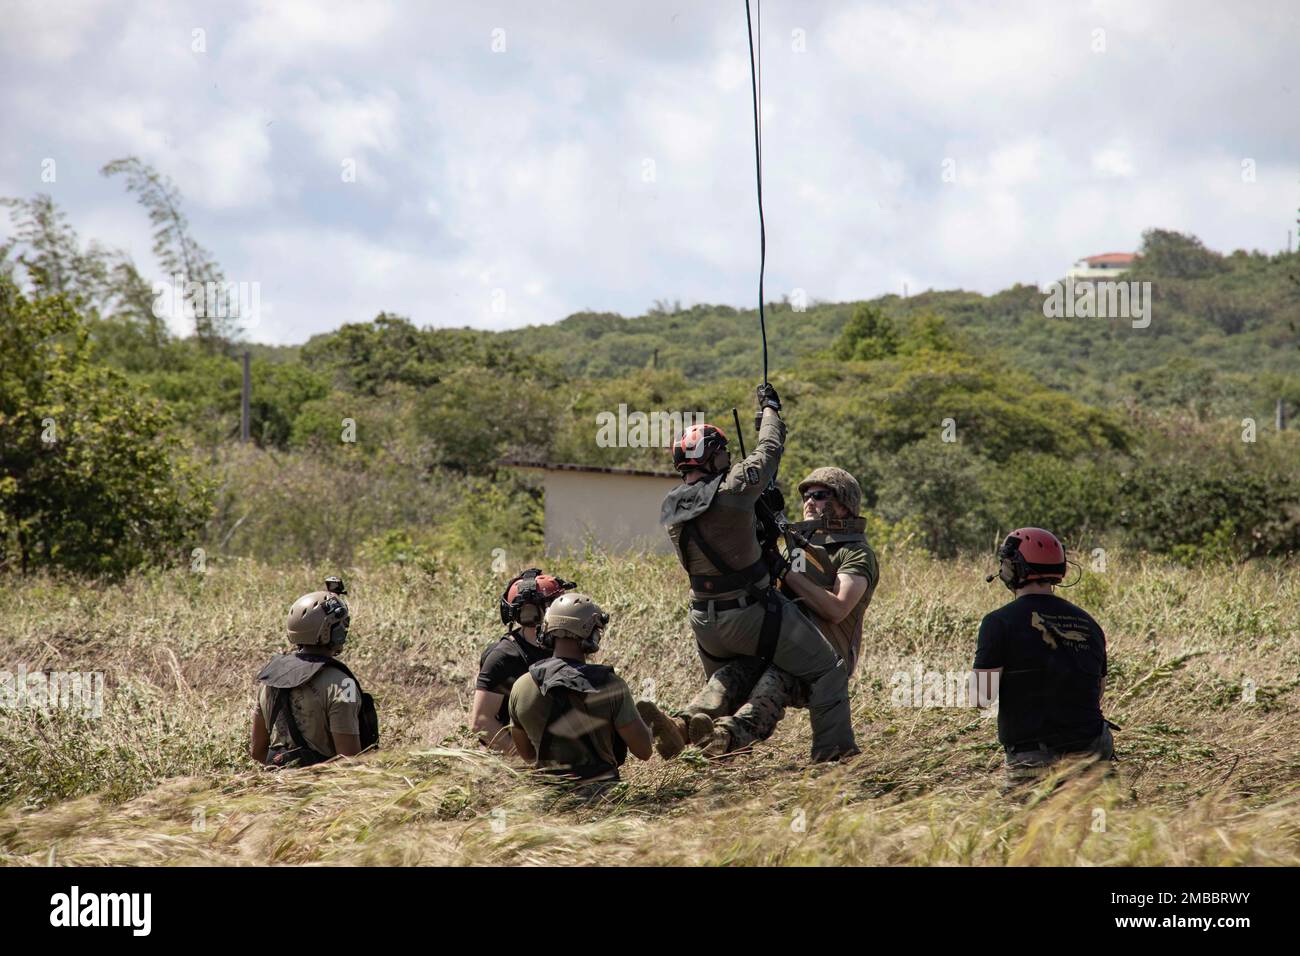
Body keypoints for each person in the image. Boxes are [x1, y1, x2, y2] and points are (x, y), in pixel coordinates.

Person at [659, 384, 858, 762]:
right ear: (717, 458)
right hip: (749, 613)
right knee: (828, 669)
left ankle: (685, 725)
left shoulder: (673, 509)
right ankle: (835, 757)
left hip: (704, 621)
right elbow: (769, 448)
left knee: (734, 678)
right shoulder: (734, 489)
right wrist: (769, 409)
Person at [697, 466, 880, 756]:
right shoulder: (799, 548)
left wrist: (786, 571)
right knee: (731, 676)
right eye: (806, 495)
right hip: (783, 646)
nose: (809, 501)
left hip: (824, 656)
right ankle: (686, 722)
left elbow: (838, 608)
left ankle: (726, 737)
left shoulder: (855, 552)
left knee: (770, 688)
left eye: (820, 496)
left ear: (844, 504)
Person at [973, 528, 1114, 784]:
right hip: (1093, 748)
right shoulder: (1088, 623)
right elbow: (1098, 690)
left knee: (1024, 822)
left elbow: (982, 696)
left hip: (1033, 754)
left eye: (1004, 561)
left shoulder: (998, 622)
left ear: (1016, 566)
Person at [508, 592, 660, 782]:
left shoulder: (521, 686)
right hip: (604, 798)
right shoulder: (611, 685)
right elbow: (643, 751)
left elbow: (528, 755)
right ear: (591, 634)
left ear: (546, 630)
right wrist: (649, 729)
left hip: (545, 800)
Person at [250, 580, 378, 768]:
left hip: (276, 788)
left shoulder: (270, 681)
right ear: (331, 632)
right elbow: (349, 761)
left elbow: (258, 751)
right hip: (325, 791)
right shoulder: (342, 684)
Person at [471, 568, 575, 754]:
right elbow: (481, 722)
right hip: (517, 758)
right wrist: (525, 762)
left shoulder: (565, 644)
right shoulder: (504, 657)